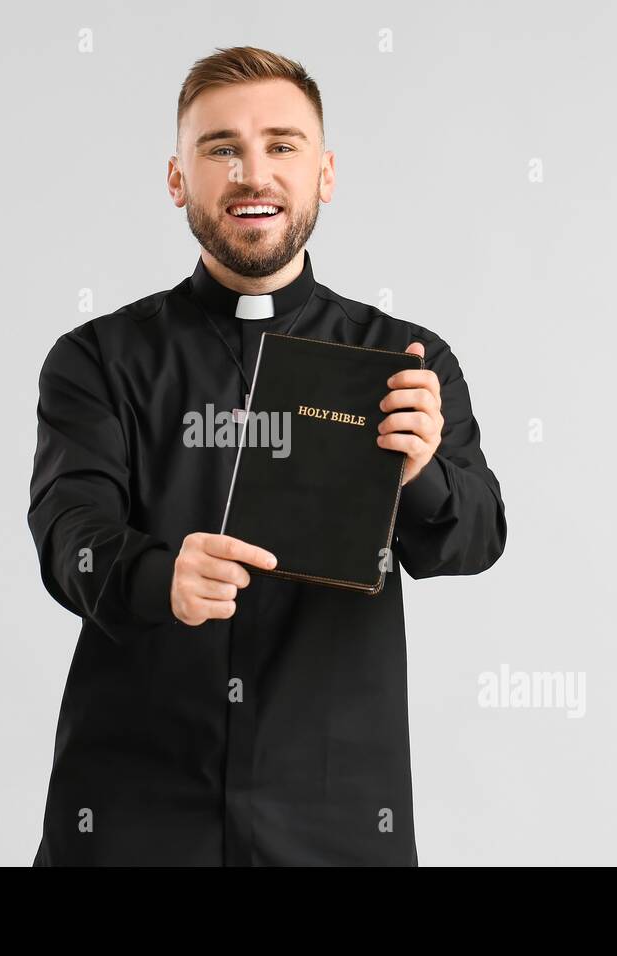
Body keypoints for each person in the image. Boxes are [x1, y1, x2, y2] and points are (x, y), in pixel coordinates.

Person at [28, 46, 507, 866]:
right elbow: (67, 531)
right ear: (178, 180)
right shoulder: (98, 358)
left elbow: (475, 538)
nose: (254, 172)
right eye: (222, 148)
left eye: (281, 146)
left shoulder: (407, 361)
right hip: (132, 807)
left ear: (324, 174)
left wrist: (420, 474)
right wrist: (156, 575)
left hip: (335, 811)